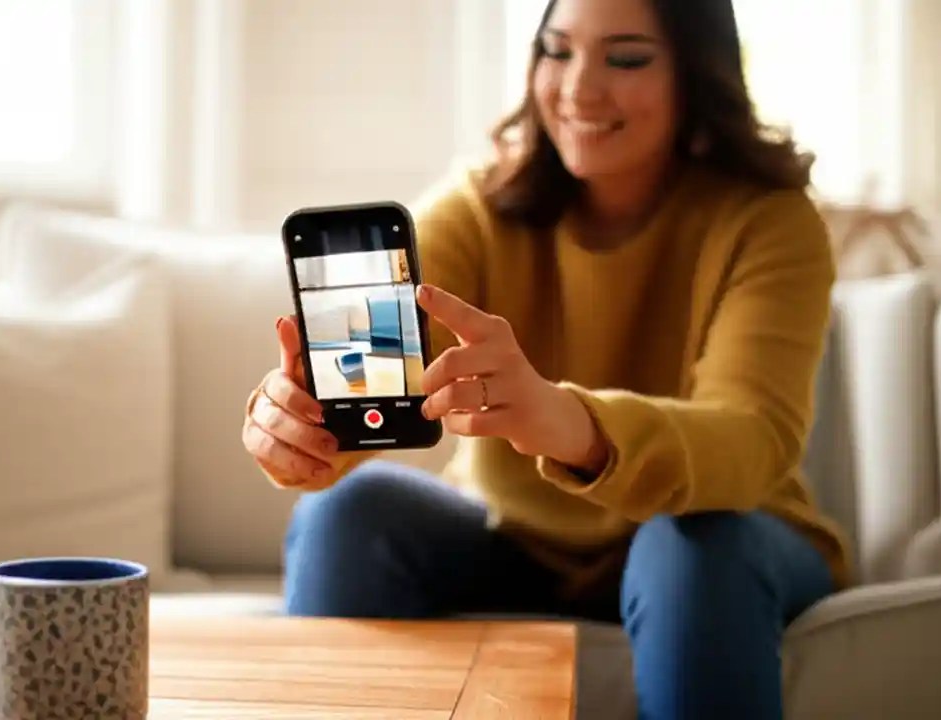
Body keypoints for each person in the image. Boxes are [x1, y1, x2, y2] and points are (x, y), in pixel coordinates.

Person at [241, 0, 852, 716]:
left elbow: (753, 440)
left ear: (697, 71)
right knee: (347, 511)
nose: (578, 88)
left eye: (625, 57)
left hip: (719, 534)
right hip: (518, 541)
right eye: (557, 51)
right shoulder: (479, 209)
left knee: (690, 551)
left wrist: (569, 423)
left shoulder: (771, 222)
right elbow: (371, 373)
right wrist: (295, 427)